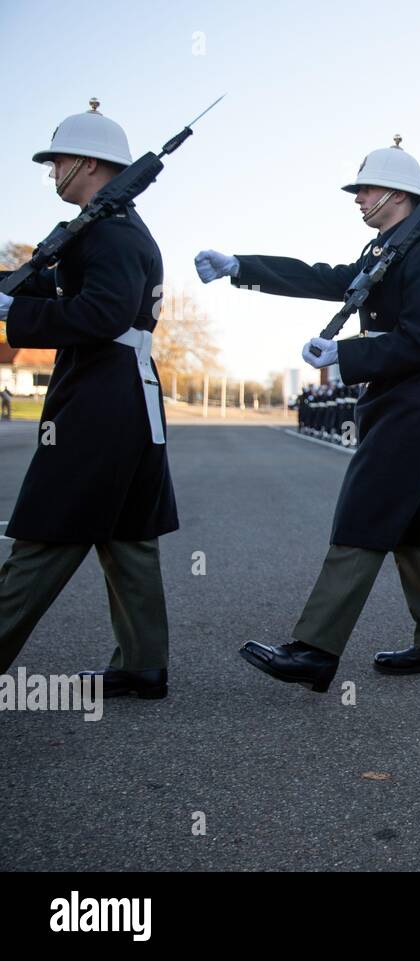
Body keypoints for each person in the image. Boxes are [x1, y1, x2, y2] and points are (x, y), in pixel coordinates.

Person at [194, 136, 420, 690]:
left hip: (414, 398)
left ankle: (315, 648)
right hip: (397, 395)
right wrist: (243, 266)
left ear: (396, 193)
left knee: (365, 513)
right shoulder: (385, 249)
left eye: (365, 187)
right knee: (416, 524)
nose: (358, 197)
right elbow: (323, 276)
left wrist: (348, 353)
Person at [0, 100, 177, 696]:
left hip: (103, 398)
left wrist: (16, 312)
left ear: (87, 162)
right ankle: (141, 664)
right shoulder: (109, 227)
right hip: (125, 395)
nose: (53, 173)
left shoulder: (107, 231)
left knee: (47, 535)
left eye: (58, 162)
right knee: (127, 537)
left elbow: (100, 313)